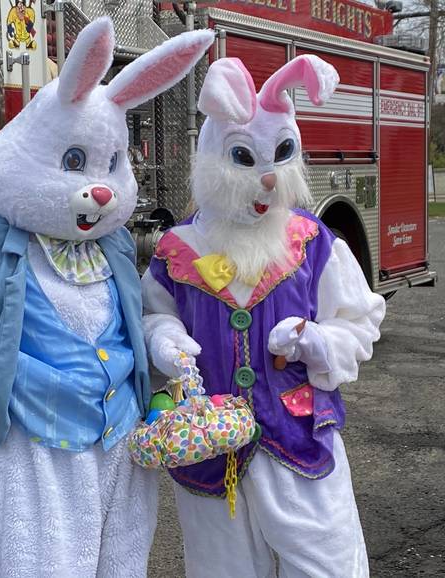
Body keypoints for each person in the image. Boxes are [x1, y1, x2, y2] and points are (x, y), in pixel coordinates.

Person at [0, 18, 213, 577]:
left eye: (109, 166)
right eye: (75, 162)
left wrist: (161, 346)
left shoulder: (115, 242)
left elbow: (134, 319)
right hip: (42, 440)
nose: (98, 187)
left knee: (121, 560)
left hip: (121, 435)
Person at [142, 55, 386, 577]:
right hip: (210, 449)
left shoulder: (312, 243)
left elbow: (360, 320)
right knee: (221, 567)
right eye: (245, 159)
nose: (268, 180)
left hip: (297, 438)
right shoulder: (176, 250)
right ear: (212, 156)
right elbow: (151, 315)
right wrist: (165, 339)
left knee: (325, 562)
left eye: (280, 155)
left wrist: (314, 341)